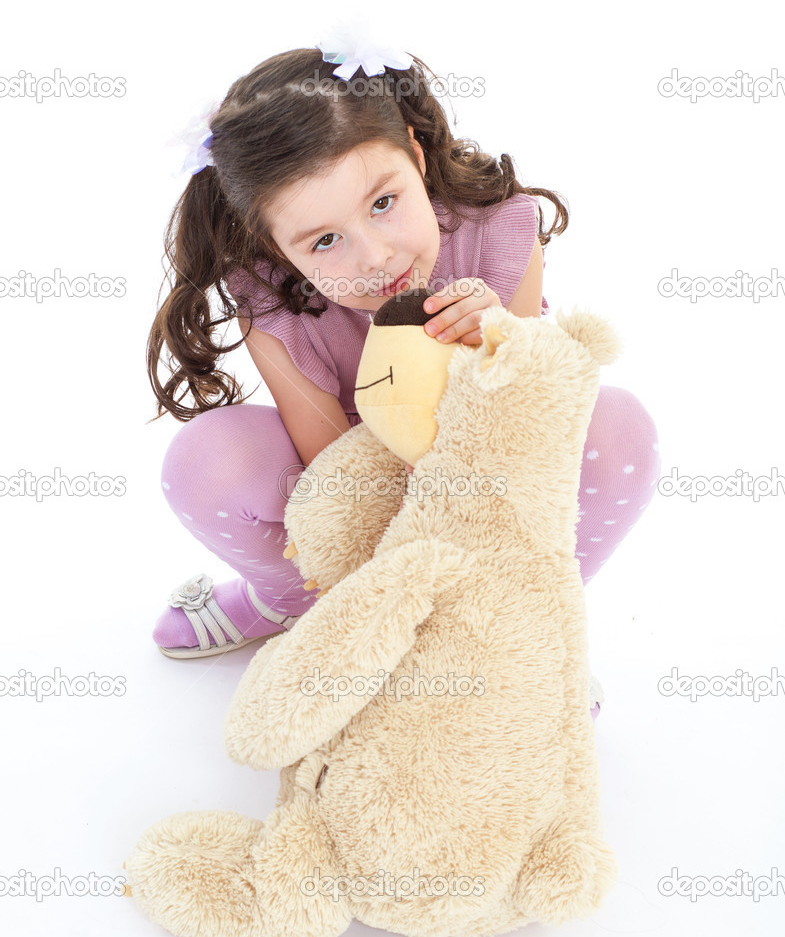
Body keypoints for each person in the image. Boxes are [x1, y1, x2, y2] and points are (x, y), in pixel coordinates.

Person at [146, 37, 661, 719]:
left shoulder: (500, 230)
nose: (374, 254)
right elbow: (333, 480)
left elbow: (531, 434)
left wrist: (498, 343)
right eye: (324, 241)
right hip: (358, 501)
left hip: (491, 499)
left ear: (416, 158)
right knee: (209, 458)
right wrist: (374, 606)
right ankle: (293, 601)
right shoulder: (270, 295)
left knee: (617, 431)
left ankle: (530, 625)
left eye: (383, 202)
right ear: (278, 249)